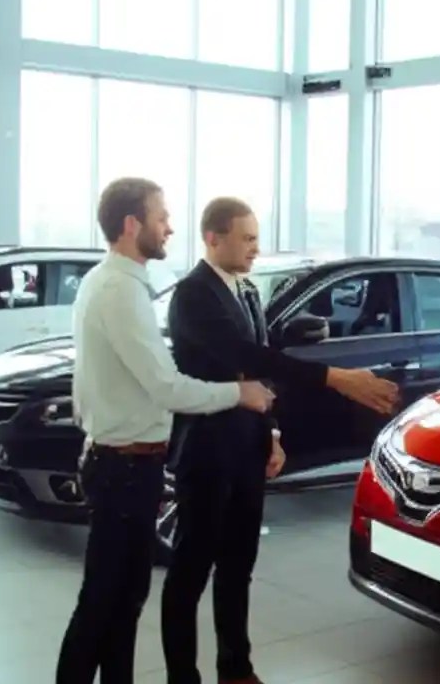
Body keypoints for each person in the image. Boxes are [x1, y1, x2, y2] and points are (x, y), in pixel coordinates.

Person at [159, 197, 400, 684]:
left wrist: (272, 433)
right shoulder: (193, 294)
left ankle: (236, 668)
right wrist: (335, 378)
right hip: (206, 451)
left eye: (256, 238)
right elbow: (243, 355)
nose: (255, 248)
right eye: (246, 239)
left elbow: (261, 373)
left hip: (248, 447)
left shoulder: (247, 291)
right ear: (213, 238)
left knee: (238, 566)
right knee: (190, 569)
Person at [55, 178, 276, 684]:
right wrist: (238, 393)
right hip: (124, 467)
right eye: (161, 218)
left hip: (127, 462)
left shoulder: (113, 283)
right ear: (132, 224)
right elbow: (167, 387)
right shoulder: (120, 291)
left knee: (124, 600)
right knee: (103, 602)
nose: (169, 228)